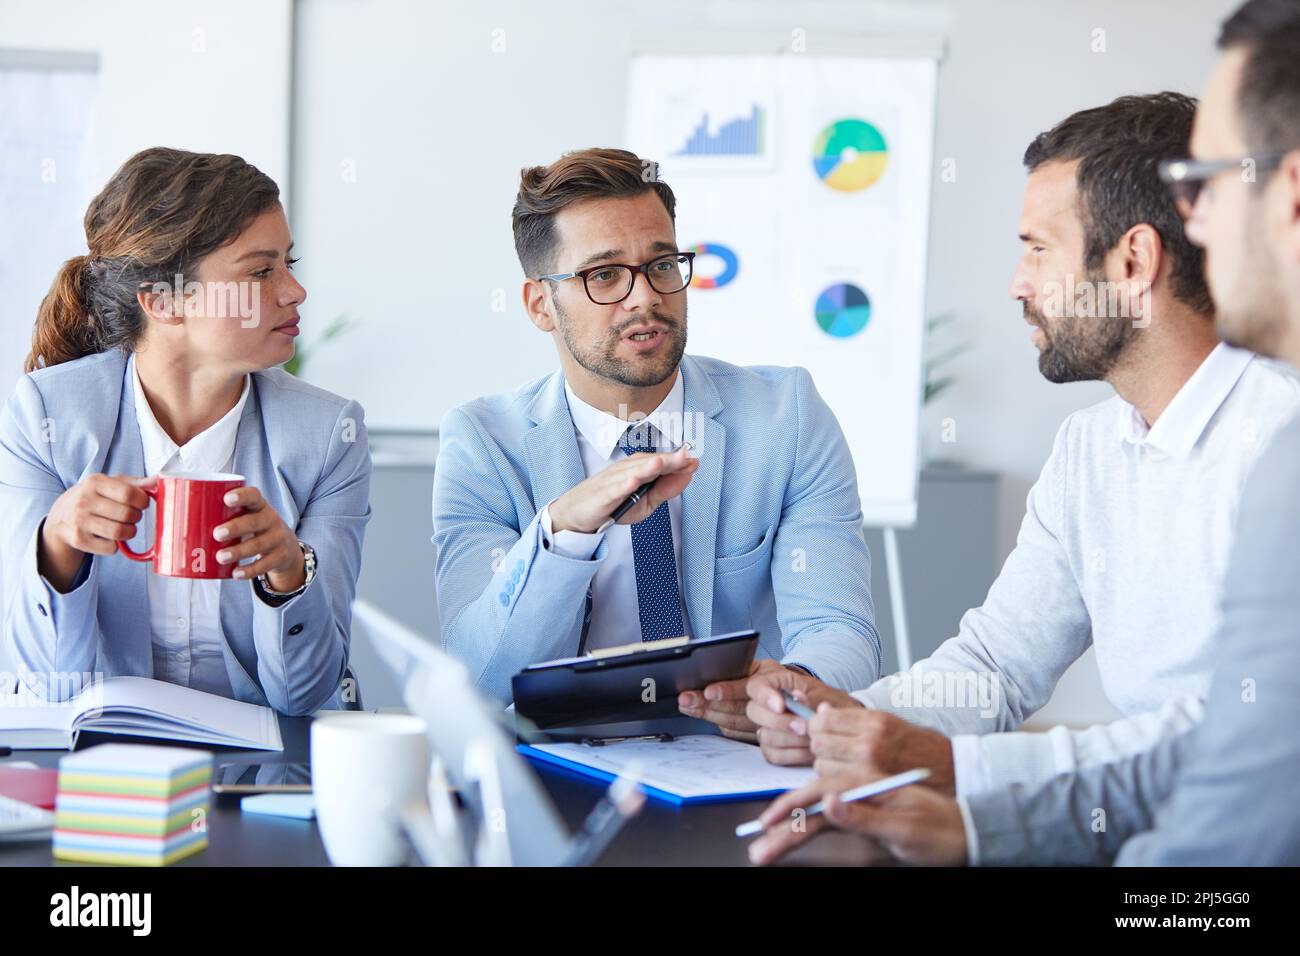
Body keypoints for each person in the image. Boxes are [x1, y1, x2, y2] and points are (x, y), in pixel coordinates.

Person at [749, 0, 1300, 866]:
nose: (1017, 283)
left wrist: (967, 776)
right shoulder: (1091, 449)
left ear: (1132, 262)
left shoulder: (1277, 441)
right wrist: (848, 717)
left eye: (1037, 249)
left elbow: (1225, 739)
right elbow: (999, 664)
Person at [433, 148, 881, 719]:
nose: (645, 297)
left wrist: (791, 691)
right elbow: (483, 677)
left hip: (741, 759)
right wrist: (563, 532)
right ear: (541, 304)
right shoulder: (483, 445)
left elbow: (840, 629)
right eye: (605, 275)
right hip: (559, 765)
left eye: (662, 265)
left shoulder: (785, 417)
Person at [0, 147, 372, 716]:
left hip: (264, 766)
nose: (295, 292)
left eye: (288, 264)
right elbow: (50, 685)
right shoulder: (48, 416)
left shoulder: (327, 434)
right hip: (109, 757)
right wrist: (57, 544)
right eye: (260, 271)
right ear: (163, 301)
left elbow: (309, 695)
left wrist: (288, 577)